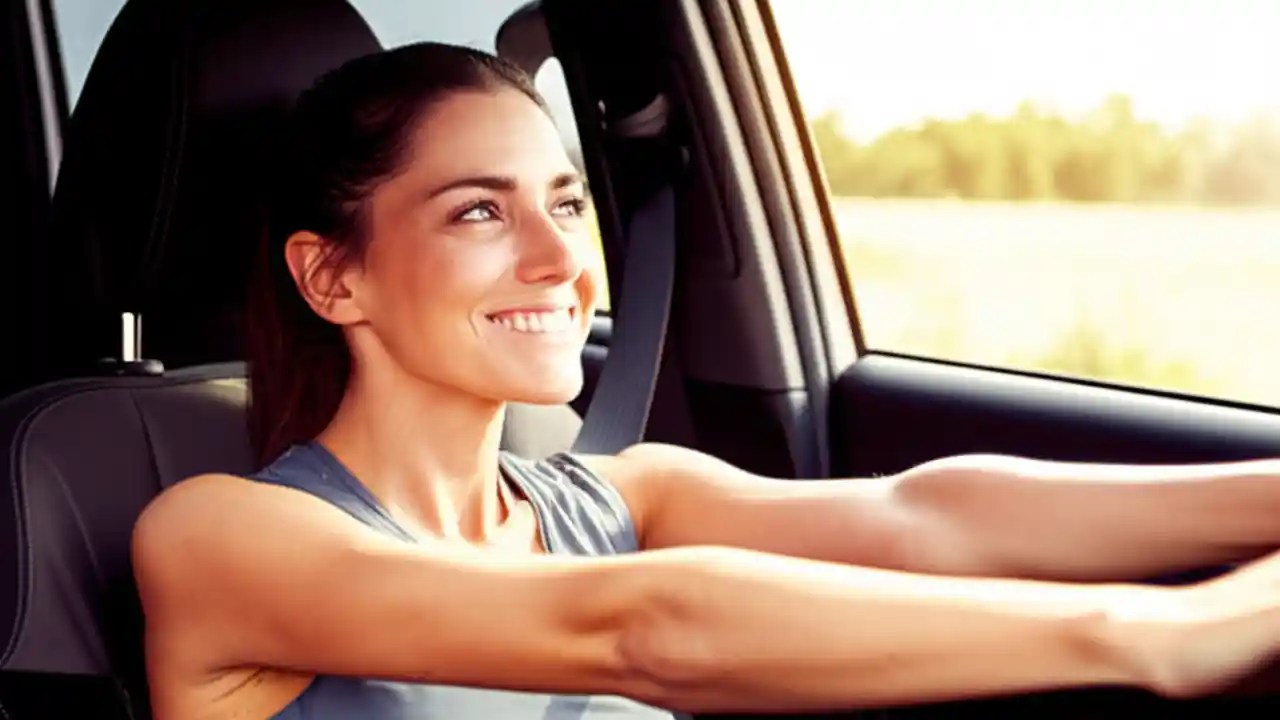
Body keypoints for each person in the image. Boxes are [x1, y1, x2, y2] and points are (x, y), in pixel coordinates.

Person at [131, 42, 1280, 720]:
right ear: (332, 278)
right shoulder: (222, 540)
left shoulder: (620, 498)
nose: (559, 261)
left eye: (566, 204)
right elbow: (643, 627)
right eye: (480, 210)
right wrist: (1156, 634)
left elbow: (925, 515)